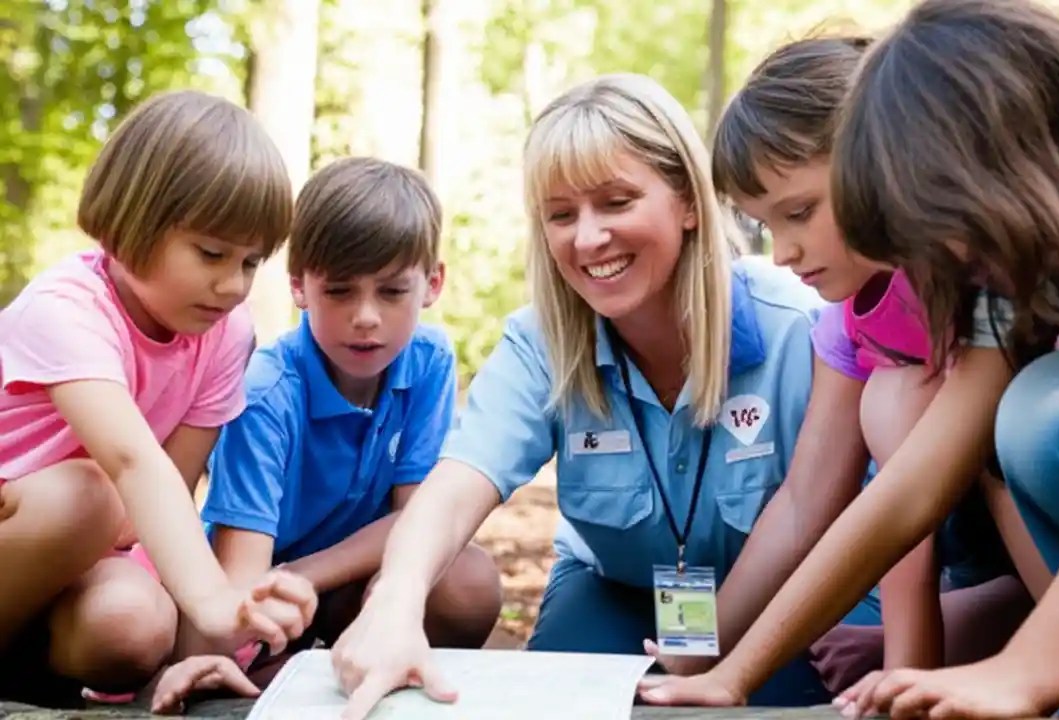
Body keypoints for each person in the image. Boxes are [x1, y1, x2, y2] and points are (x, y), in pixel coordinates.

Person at [663, 1, 1059, 718]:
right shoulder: (1019, 263)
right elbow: (912, 486)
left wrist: (1030, 669)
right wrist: (734, 672)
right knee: (1043, 416)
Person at [328, 72, 851, 719]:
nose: (587, 238)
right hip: (618, 589)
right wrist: (394, 604)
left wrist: (710, 644)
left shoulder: (798, 326)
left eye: (616, 201)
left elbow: (835, 511)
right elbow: (458, 482)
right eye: (561, 214)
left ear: (689, 201)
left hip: (794, 592)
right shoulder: (538, 342)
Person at [702, 33, 1035, 692]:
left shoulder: (986, 265)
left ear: (883, 161)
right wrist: (702, 650)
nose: (783, 254)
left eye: (800, 213)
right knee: (892, 402)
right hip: (970, 558)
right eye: (767, 227)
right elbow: (806, 500)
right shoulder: (850, 321)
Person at [147, 157, 504, 711]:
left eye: (391, 292)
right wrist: (277, 596)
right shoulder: (266, 391)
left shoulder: (429, 361)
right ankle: (289, 672)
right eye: (339, 291)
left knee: (467, 582)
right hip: (262, 587)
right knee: (222, 649)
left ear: (432, 283)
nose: (366, 317)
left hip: (340, 579)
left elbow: (419, 520)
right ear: (299, 285)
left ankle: (371, 667)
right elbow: (242, 575)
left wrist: (309, 576)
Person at [0, 90, 316, 707]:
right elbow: (132, 466)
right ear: (131, 224)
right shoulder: (65, 309)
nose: (232, 284)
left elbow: (167, 488)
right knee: (85, 496)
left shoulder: (226, 332)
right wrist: (214, 600)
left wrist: (211, 642)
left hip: (89, 553)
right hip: (26, 525)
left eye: (251, 262)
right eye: (210, 253)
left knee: (132, 624)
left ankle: (27, 680)